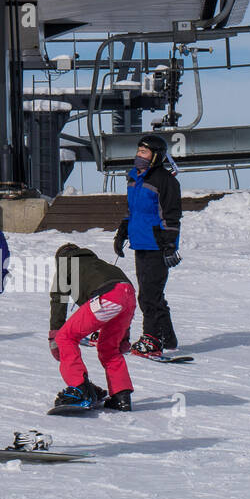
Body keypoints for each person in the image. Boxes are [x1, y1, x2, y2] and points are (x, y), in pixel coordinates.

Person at [114, 133, 182, 357]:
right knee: (152, 293)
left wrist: (169, 245)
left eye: (144, 152)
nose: (139, 155)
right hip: (140, 243)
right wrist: (122, 233)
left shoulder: (165, 181)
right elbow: (131, 210)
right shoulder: (134, 178)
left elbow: (171, 215)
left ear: (155, 156)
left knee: (149, 296)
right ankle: (167, 338)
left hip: (157, 245)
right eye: (138, 151)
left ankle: (152, 339)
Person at [48, 243, 136, 411]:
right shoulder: (100, 264)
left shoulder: (66, 264)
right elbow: (122, 295)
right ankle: (121, 396)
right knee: (109, 348)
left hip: (106, 296)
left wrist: (54, 337)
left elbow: (59, 299)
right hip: (128, 295)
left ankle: (79, 389)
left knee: (65, 337)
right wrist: (124, 337)